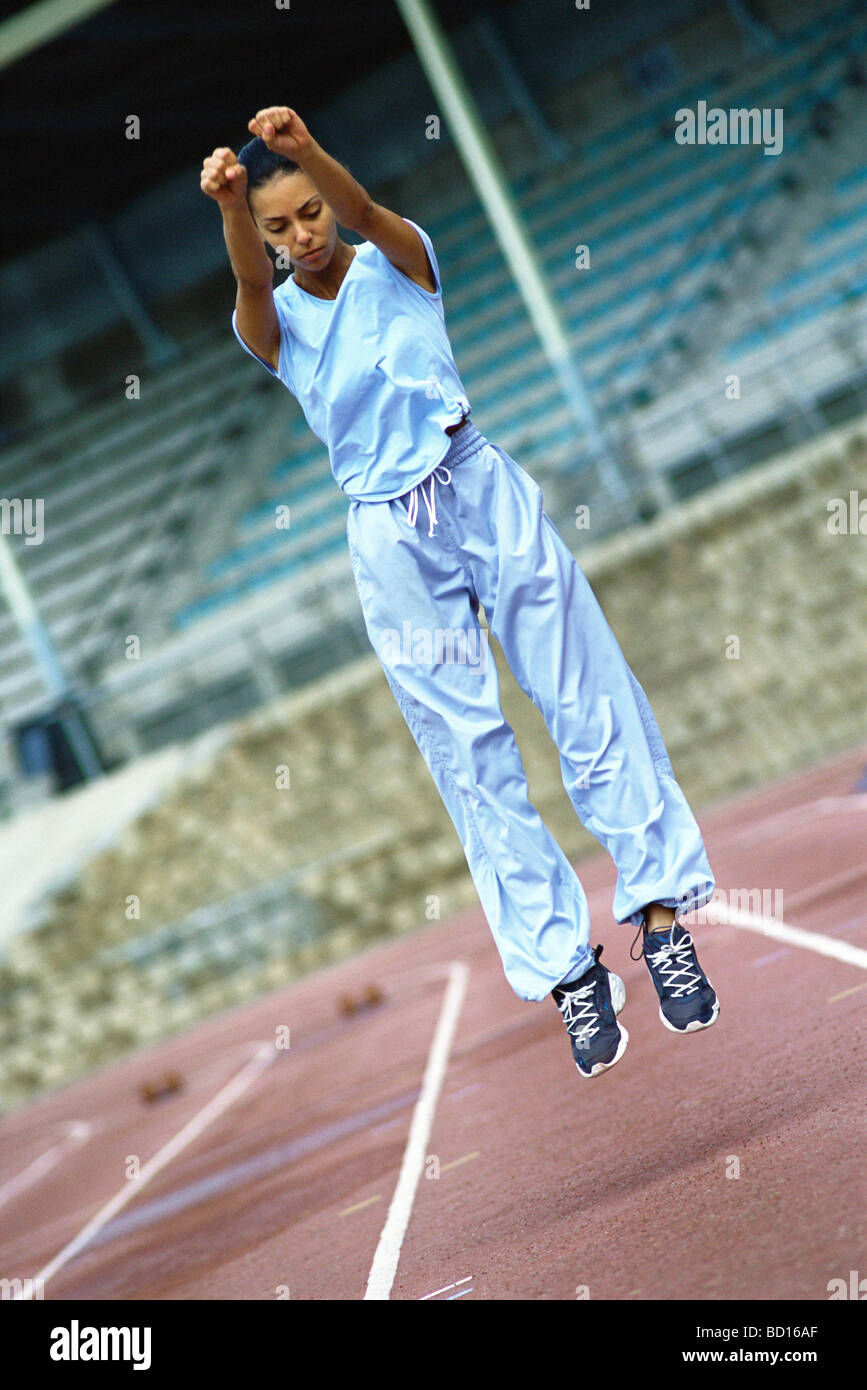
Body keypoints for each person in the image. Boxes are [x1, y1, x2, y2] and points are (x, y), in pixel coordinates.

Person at [200, 104, 720, 1080]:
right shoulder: (274, 327)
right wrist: (235, 207)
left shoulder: (401, 260)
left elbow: (365, 209)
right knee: (471, 760)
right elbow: (244, 285)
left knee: (587, 699)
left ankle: (661, 920)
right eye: (281, 228)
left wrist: (311, 153)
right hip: (391, 542)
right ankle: (570, 973)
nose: (302, 235)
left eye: (308, 213)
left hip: (477, 483)